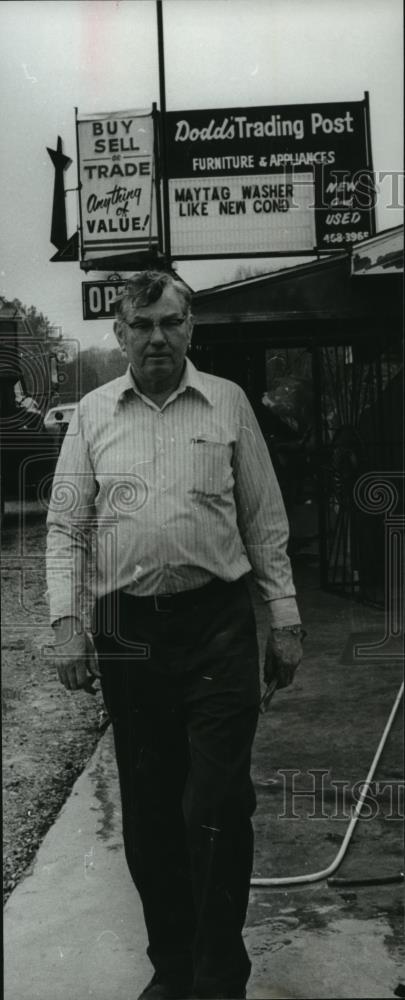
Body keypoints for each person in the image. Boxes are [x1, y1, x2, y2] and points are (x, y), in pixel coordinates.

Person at [46, 270, 303, 1000]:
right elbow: (64, 527)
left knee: (215, 804)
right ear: (119, 333)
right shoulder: (92, 416)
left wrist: (283, 619)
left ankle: (220, 976)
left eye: (170, 322)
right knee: (153, 812)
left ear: (191, 327)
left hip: (216, 625)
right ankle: (174, 968)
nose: (156, 337)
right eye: (141, 325)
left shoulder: (227, 405)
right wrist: (68, 625)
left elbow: (264, 521)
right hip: (129, 636)